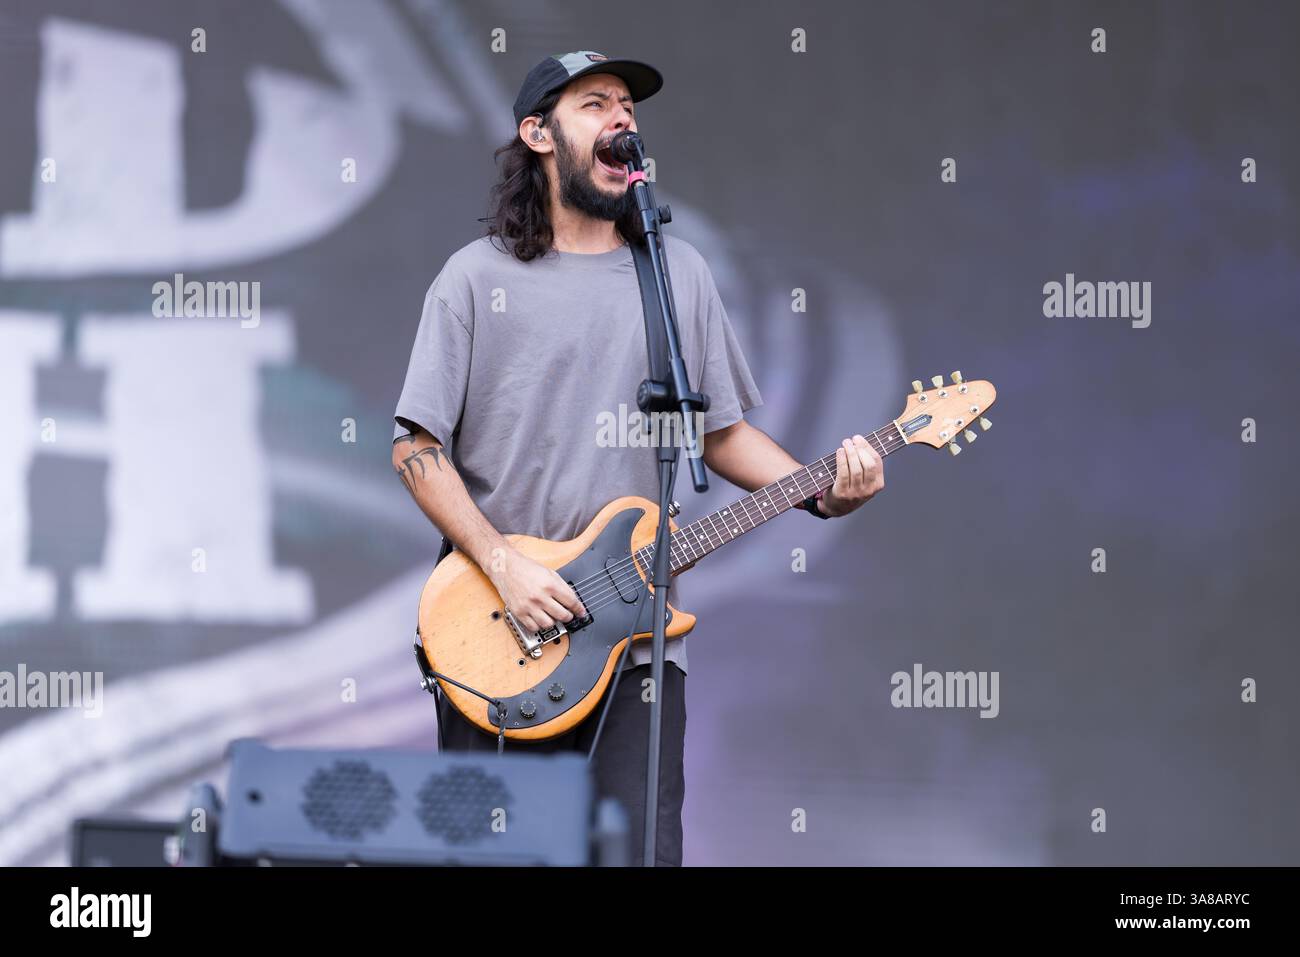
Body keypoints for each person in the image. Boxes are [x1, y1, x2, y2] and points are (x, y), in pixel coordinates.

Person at [391, 51, 885, 866]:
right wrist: (505, 564)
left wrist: (823, 489)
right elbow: (416, 445)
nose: (623, 117)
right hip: (499, 626)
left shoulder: (675, 273)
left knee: (641, 855)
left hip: (638, 646)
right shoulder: (475, 280)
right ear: (537, 134)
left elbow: (718, 433)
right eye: (596, 104)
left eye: (628, 105)